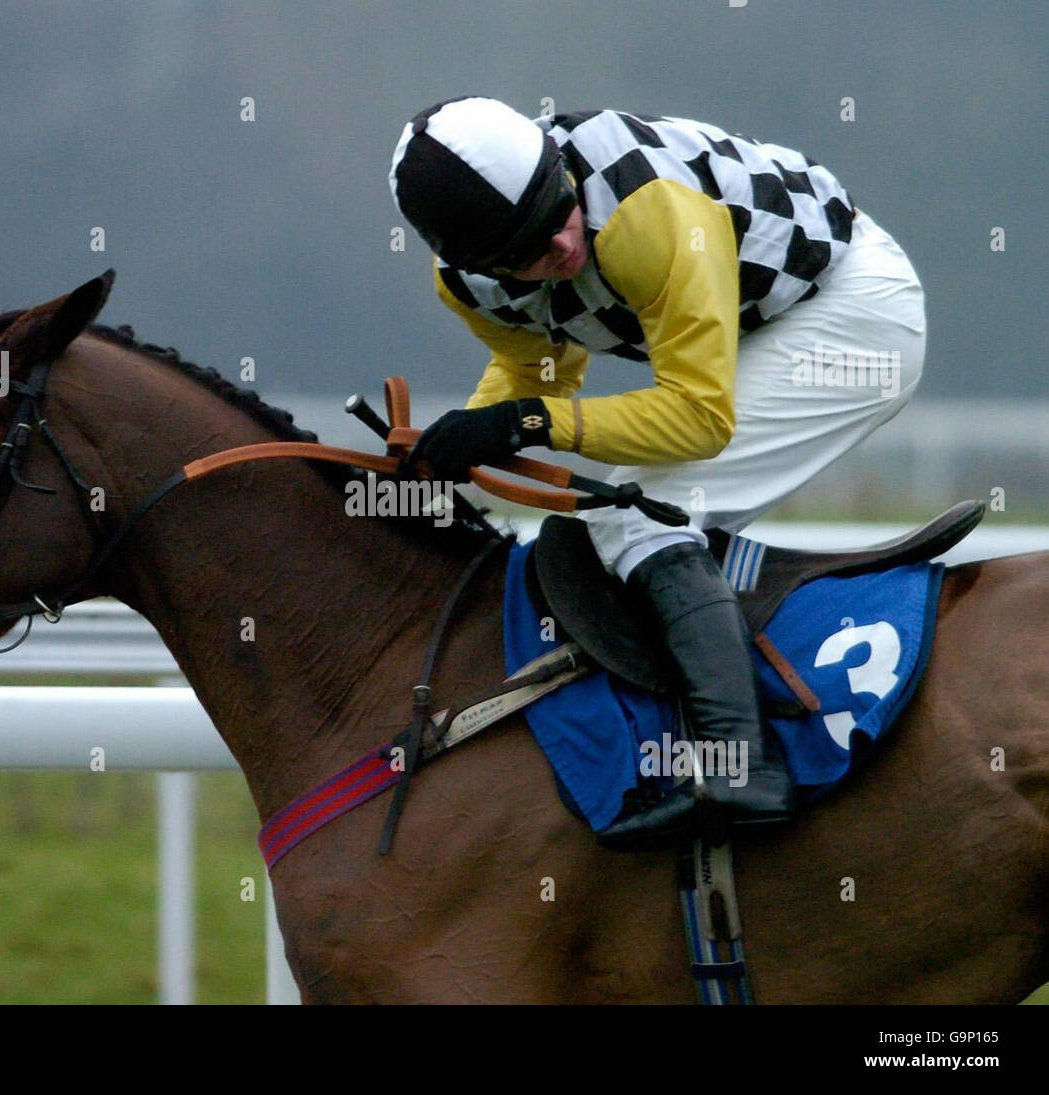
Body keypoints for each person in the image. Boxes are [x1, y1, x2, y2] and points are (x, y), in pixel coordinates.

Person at [389, 96, 925, 847]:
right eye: (529, 252)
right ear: (477, 265)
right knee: (619, 512)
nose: (564, 245)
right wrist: (447, 449)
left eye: (561, 209)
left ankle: (745, 768)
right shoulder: (466, 286)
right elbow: (536, 361)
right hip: (761, 330)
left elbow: (700, 417)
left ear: (557, 164)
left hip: (854, 315)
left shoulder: (645, 212)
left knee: (633, 514)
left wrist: (531, 422)